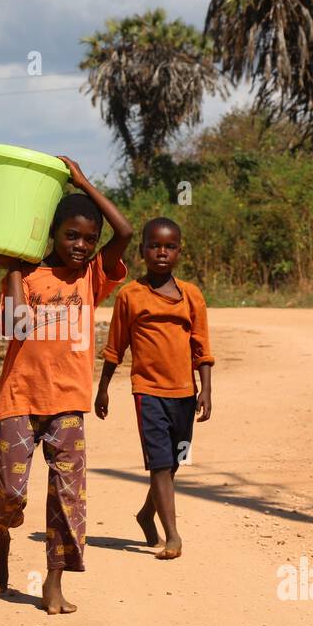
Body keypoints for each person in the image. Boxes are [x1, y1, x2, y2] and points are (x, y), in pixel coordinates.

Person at [0, 156, 132, 614]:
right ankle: (1, 533)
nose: (82, 246)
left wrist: (84, 181)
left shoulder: (93, 277)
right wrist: (11, 263)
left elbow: (123, 232)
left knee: (68, 496)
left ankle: (53, 582)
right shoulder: (26, 276)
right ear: (52, 233)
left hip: (68, 402)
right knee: (12, 489)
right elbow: (12, 325)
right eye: (71, 236)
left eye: (89, 238)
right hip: (20, 399)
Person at [96, 216, 214, 559]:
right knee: (159, 463)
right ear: (143, 250)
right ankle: (172, 535)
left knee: (175, 461)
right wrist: (103, 388)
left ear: (179, 251)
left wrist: (205, 389)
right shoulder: (130, 295)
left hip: (185, 393)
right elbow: (116, 347)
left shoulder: (191, 295)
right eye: (154, 245)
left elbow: (202, 346)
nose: (161, 252)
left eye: (169, 246)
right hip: (147, 392)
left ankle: (147, 513)